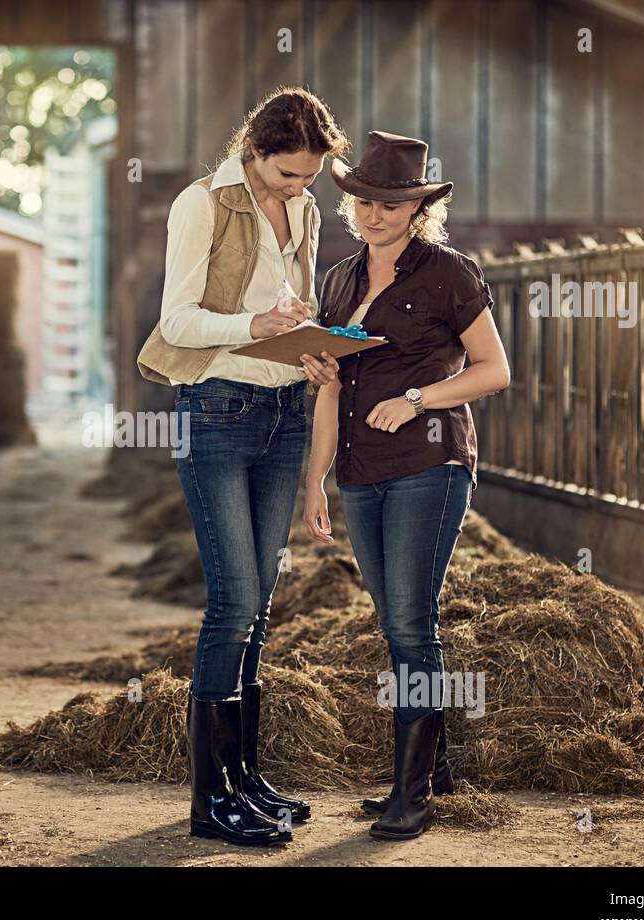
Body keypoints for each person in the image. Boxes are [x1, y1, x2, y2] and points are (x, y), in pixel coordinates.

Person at [137, 87, 347, 845]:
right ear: (254, 151)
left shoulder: (309, 211)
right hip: (217, 410)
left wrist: (318, 344)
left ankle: (244, 779)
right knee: (233, 598)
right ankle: (208, 801)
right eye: (288, 175)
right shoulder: (203, 204)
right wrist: (253, 324)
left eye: (309, 178)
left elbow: (297, 304)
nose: (300, 189)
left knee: (261, 602)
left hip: (285, 412)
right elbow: (177, 319)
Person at [302, 131, 511, 840]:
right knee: (397, 621)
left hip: (431, 464)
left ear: (417, 207)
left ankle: (411, 794)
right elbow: (330, 392)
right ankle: (434, 773)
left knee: (410, 622)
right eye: (362, 200)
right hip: (361, 473)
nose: (373, 213)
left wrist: (421, 397)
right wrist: (315, 480)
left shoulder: (449, 274)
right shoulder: (337, 280)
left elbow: (493, 370)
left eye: (390, 203)